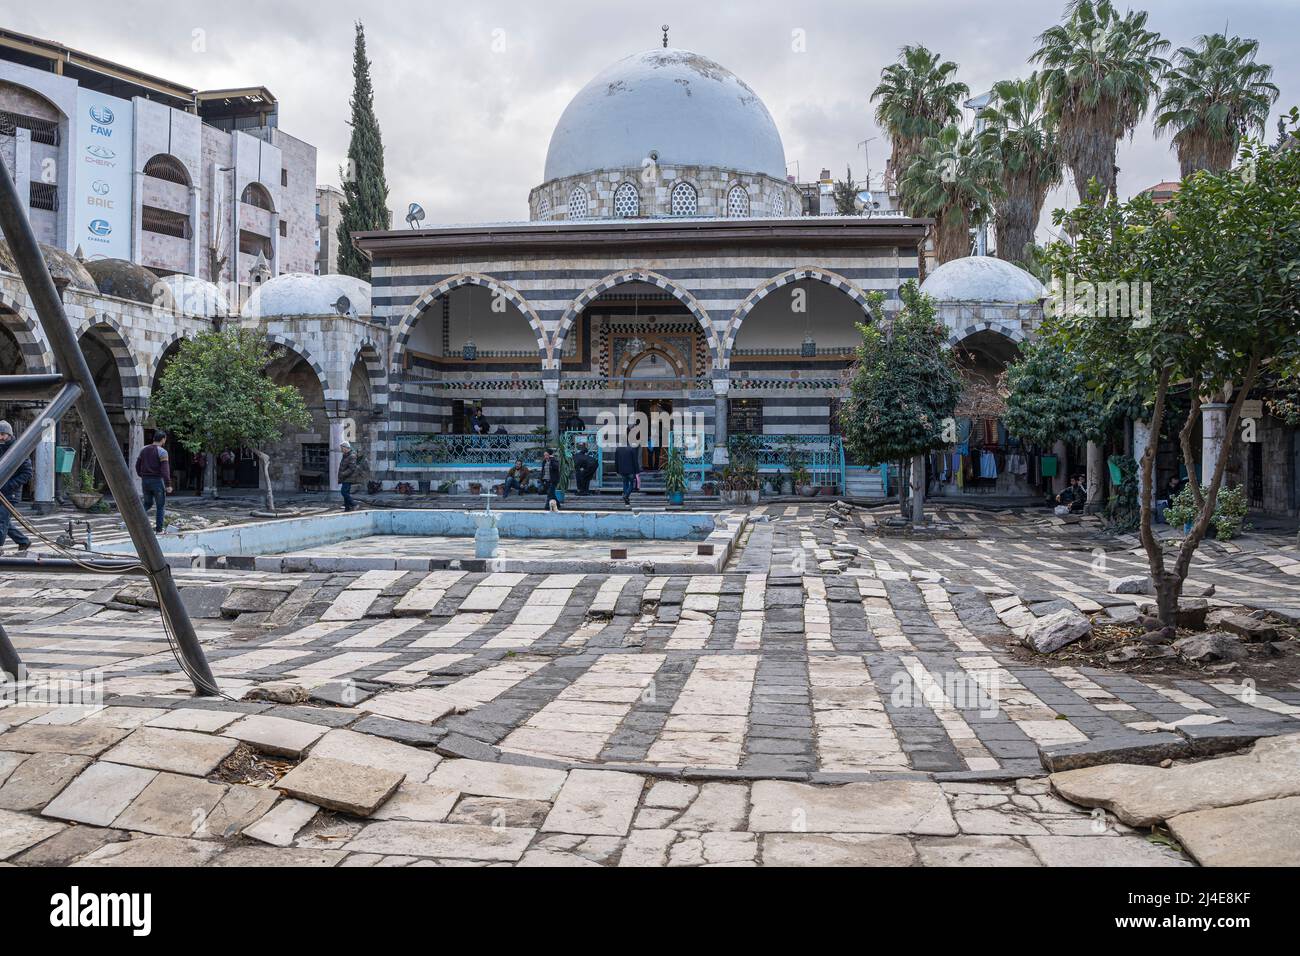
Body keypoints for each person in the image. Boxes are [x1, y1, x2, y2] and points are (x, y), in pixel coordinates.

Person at [0, 420, 33, 554]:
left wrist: (8, 486)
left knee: (1, 520)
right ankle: (23, 541)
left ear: (9, 434)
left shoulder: (18, 449)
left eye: (3, 434)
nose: (0, 437)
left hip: (10, 493)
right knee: (4, 520)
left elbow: (27, 473)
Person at [136, 429, 173, 533]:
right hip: (157, 481)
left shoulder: (143, 449)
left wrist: (142, 475)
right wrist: (168, 484)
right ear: (163, 439)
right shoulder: (162, 452)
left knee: (147, 504)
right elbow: (165, 470)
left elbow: (137, 465)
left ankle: (135, 520)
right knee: (160, 506)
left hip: (145, 481)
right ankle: (159, 530)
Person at [337, 441, 361, 512]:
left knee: (343, 492)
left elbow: (352, 468)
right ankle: (347, 508)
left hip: (349, 478)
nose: (341, 449)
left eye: (342, 448)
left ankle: (354, 504)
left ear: (345, 448)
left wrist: (343, 473)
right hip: (345, 477)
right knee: (346, 492)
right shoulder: (345, 455)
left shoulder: (352, 456)